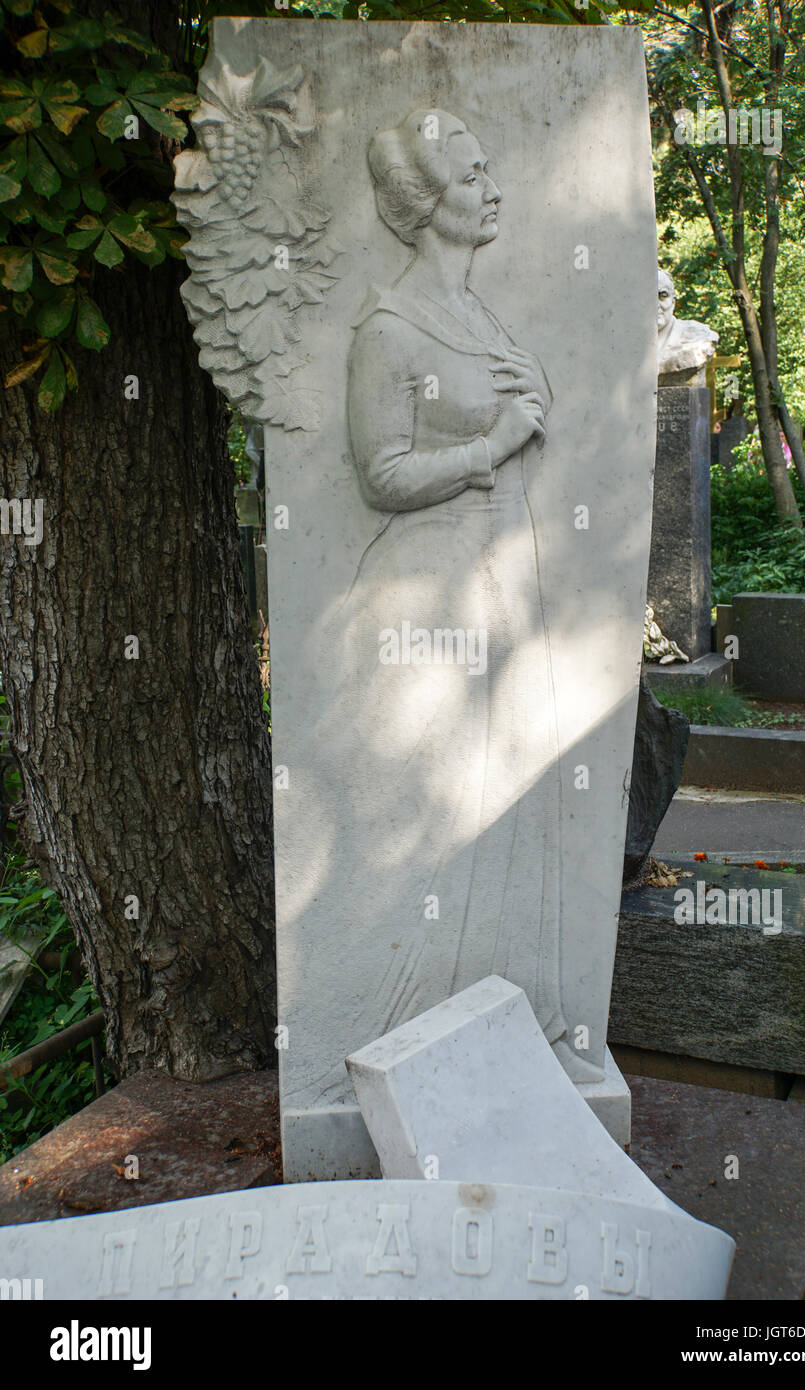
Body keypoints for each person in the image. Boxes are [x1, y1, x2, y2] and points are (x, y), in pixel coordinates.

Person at [284, 108, 576, 1110]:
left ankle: (490, 1028)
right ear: (422, 206)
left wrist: (521, 415)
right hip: (423, 593)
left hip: (499, 577)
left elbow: (528, 410)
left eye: (491, 169)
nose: (491, 188)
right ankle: (383, 1035)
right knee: (421, 806)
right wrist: (492, 444)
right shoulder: (388, 326)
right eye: (469, 177)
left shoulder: (485, 316)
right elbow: (380, 472)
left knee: (497, 802)